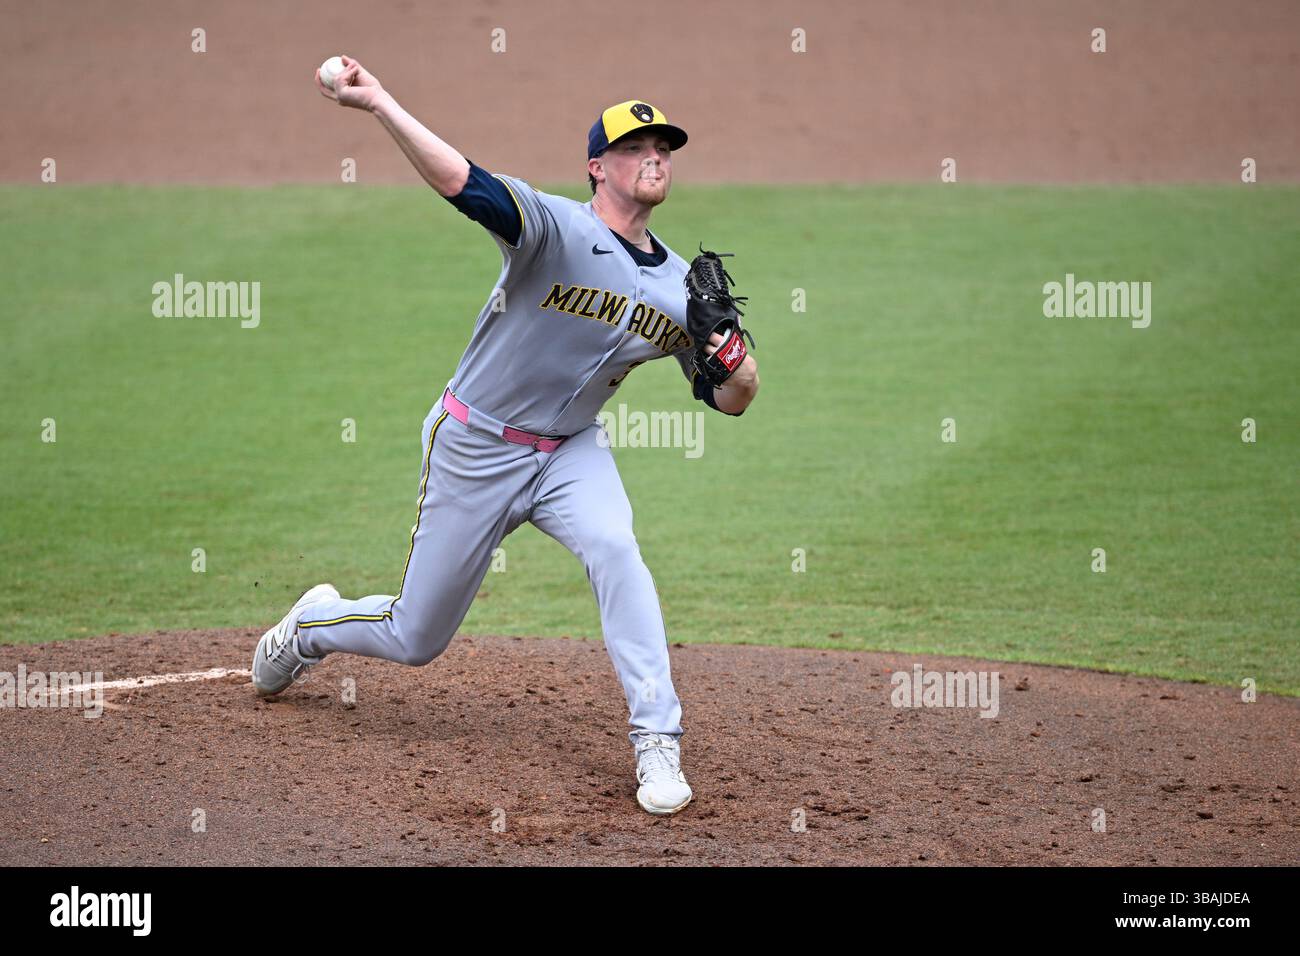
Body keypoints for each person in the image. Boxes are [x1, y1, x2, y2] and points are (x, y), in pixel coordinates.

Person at [252, 57, 760, 816]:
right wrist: (383, 102)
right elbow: (464, 181)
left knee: (617, 547)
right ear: (598, 167)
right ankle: (314, 624)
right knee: (415, 636)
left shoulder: (681, 287)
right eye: (634, 146)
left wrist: (733, 359)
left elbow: (733, 398)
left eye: (663, 147)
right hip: (476, 444)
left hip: (570, 453)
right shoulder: (554, 228)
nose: (653, 156)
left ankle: (658, 742)